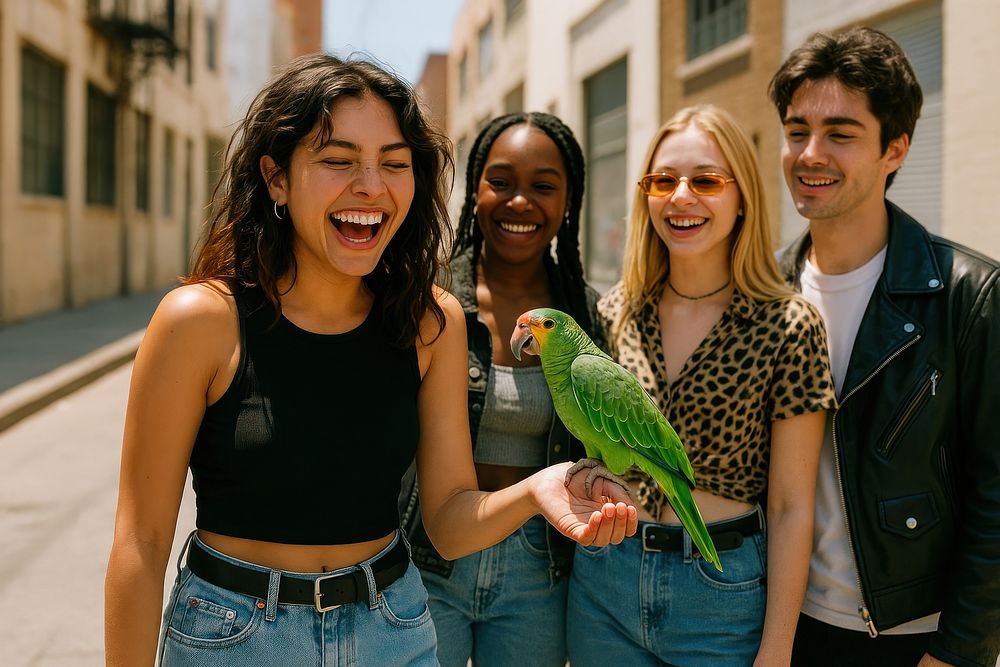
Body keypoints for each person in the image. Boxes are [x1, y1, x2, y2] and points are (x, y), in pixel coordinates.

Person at [103, 54, 637, 666]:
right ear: (276, 178)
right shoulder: (198, 321)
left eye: (394, 163)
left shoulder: (432, 323)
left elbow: (448, 521)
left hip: (393, 630)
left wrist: (541, 487)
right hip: (235, 639)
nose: (371, 186)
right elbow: (139, 543)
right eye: (337, 161)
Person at [566, 104, 837, 667]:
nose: (681, 197)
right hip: (605, 582)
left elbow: (790, 504)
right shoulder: (614, 312)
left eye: (706, 180)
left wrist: (778, 647)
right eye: (663, 181)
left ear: (742, 200)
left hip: (721, 593)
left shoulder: (789, 324)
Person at [769, 27, 1000, 667]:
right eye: (796, 131)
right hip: (783, 628)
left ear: (894, 150)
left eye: (840, 134)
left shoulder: (968, 296)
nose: (810, 153)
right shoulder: (765, 291)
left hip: (914, 638)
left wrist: (958, 651)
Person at [397, 111, 605, 666]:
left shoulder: (585, 315)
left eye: (543, 186)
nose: (520, 202)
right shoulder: (428, 297)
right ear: (476, 190)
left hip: (537, 567)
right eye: (501, 181)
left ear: (569, 201)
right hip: (427, 558)